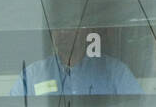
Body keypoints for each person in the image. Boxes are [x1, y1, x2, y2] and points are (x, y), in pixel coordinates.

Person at [11, 28, 142, 96]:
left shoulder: (115, 72)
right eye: (58, 27)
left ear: (87, 31)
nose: (64, 32)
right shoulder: (31, 76)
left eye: (71, 26)